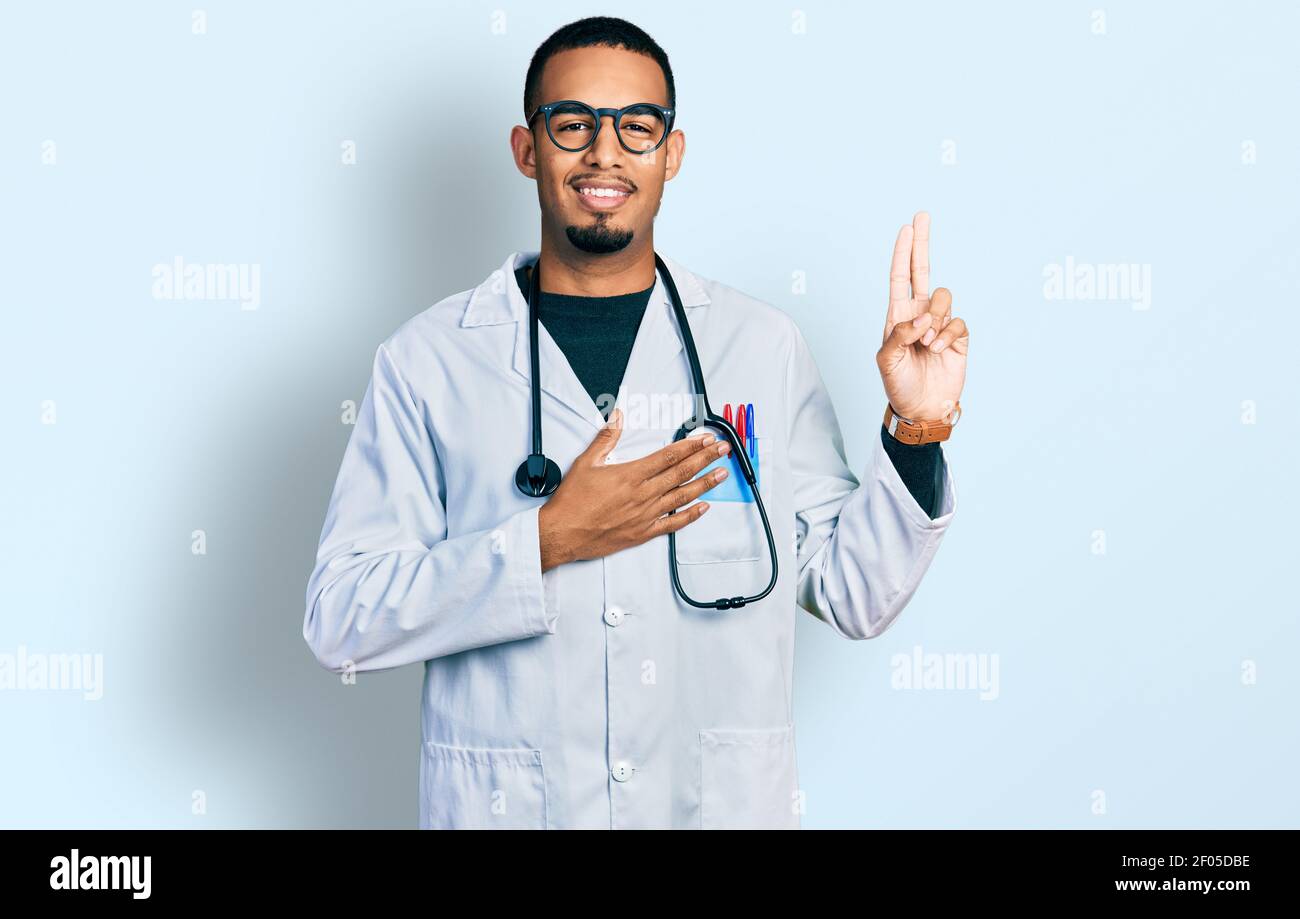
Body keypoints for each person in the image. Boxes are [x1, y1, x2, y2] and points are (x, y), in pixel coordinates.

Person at [304, 15, 969, 829]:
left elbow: (853, 590)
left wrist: (918, 427)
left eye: (636, 126)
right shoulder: (428, 361)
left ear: (672, 152)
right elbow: (341, 617)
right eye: (573, 123)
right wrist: (545, 541)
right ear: (526, 148)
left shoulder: (760, 347)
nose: (605, 153)